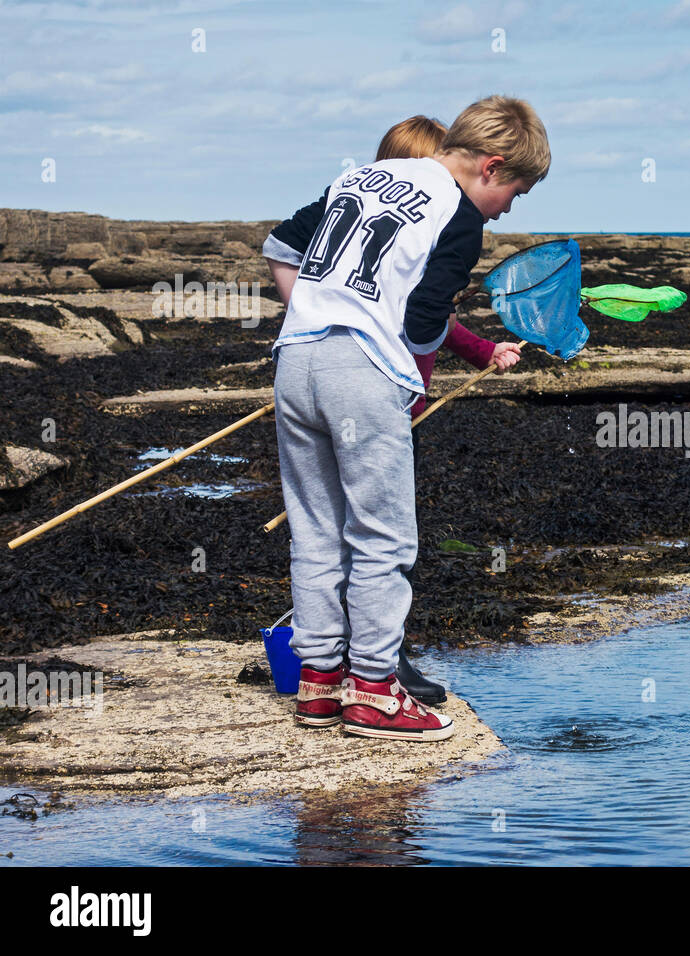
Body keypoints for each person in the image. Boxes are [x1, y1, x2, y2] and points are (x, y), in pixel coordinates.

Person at [263, 96, 549, 741]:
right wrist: (402, 383)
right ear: (491, 165)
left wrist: (317, 314)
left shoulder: (359, 177)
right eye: (514, 192)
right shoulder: (458, 210)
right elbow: (425, 314)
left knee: (314, 531)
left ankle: (318, 684)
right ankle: (374, 694)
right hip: (363, 377)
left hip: (297, 359)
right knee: (382, 537)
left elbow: (280, 244)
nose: (506, 208)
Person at [369, 115, 521, 707]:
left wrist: (487, 350)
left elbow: (434, 318)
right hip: (379, 402)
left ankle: (371, 653)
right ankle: (381, 663)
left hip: (395, 408)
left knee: (369, 535)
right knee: (381, 539)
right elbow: (413, 316)